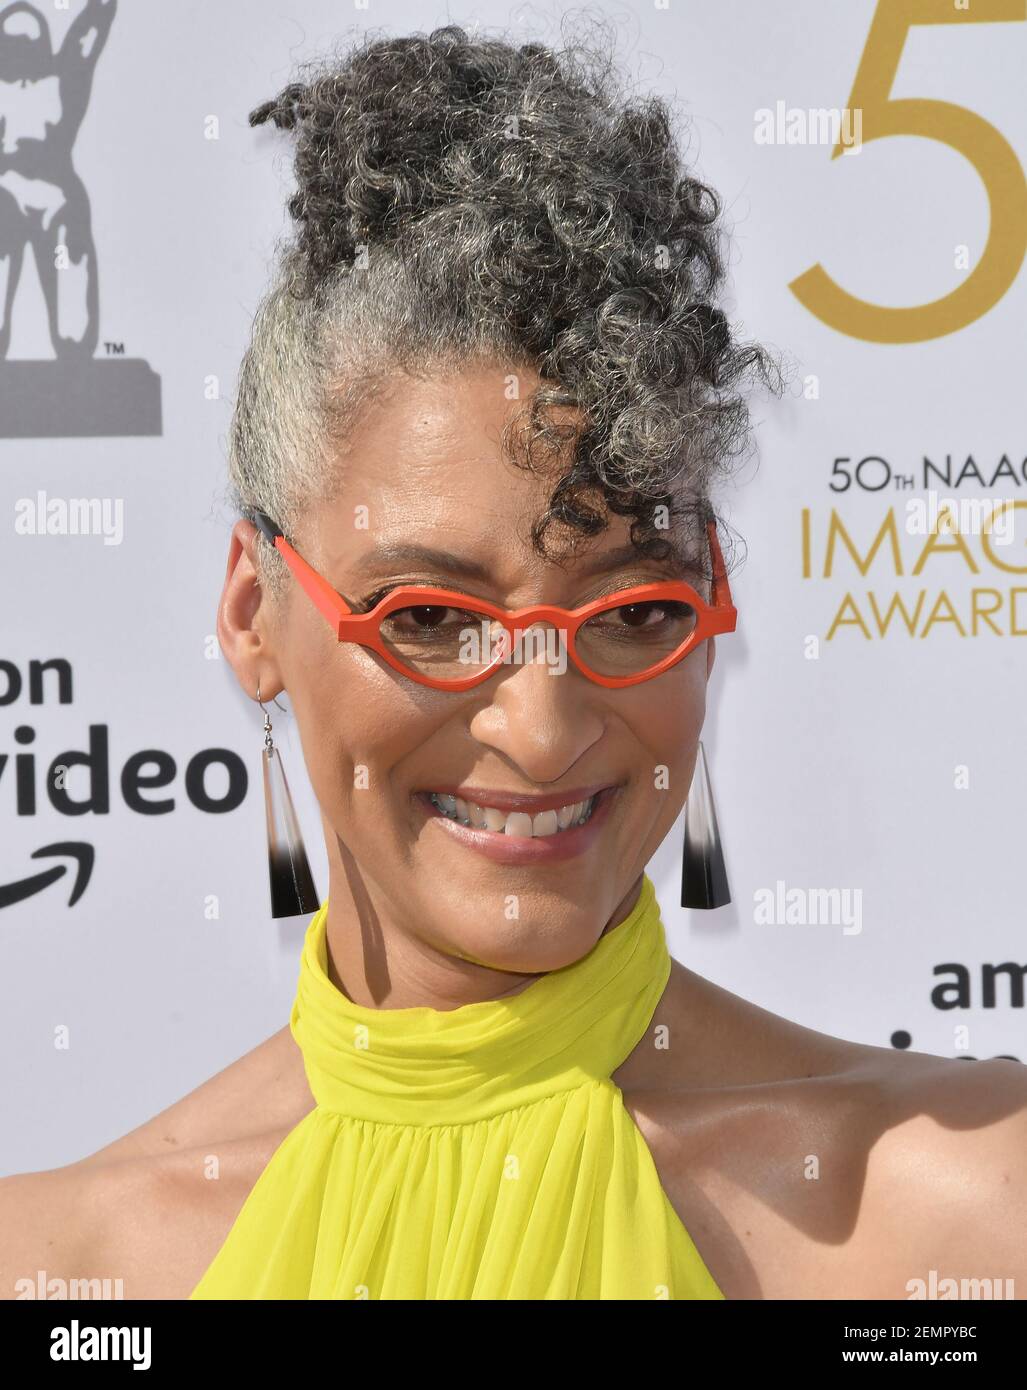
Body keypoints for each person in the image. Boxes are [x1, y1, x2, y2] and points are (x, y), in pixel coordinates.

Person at [2, 22, 1024, 1302]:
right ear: (255, 612)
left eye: (636, 612)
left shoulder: (967, 1216)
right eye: (428, 617)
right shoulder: (60, 1278)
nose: (541, 731)